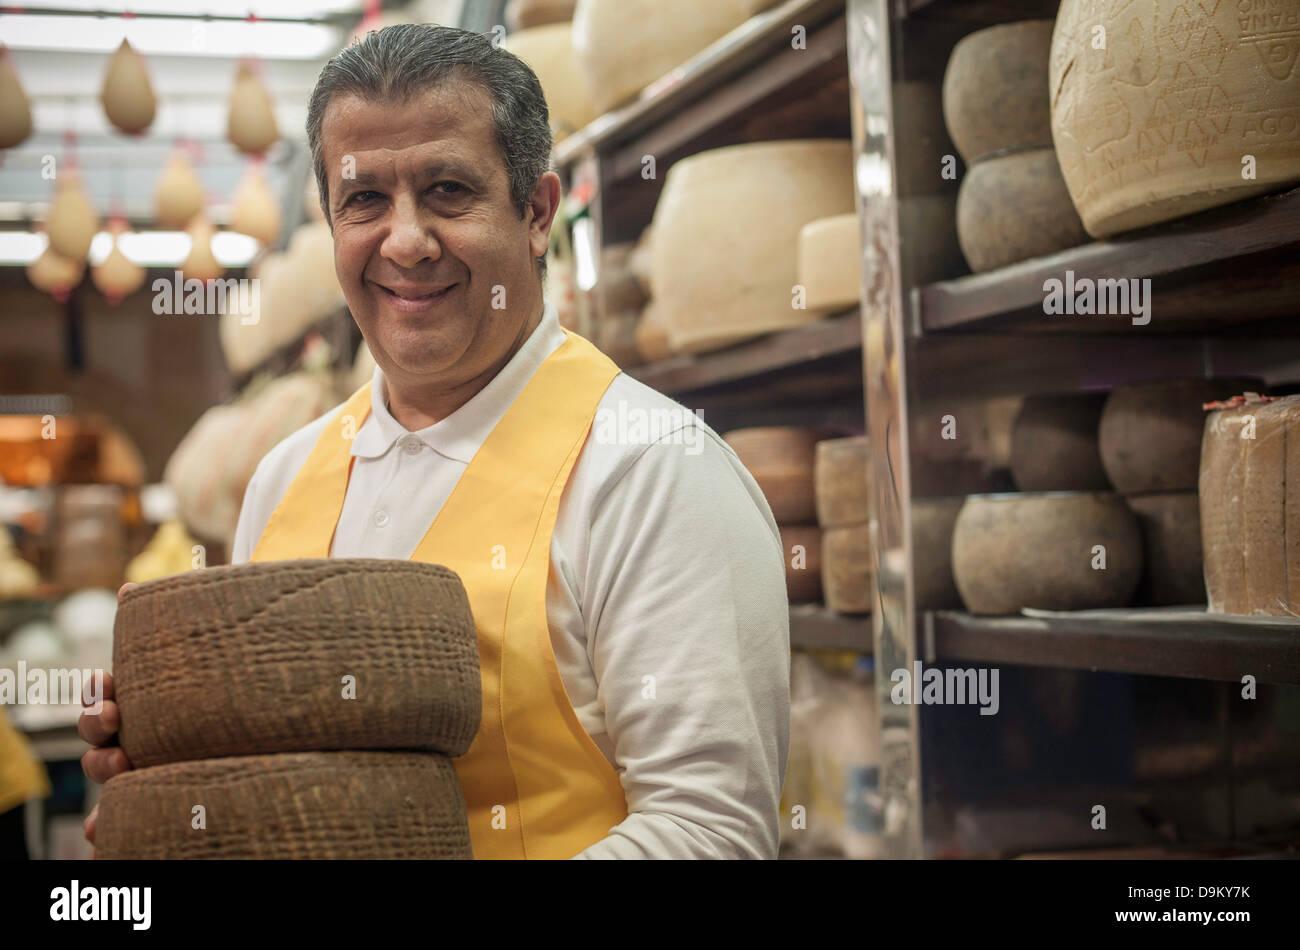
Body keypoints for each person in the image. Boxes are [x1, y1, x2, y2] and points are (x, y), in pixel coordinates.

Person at [81, 24, 789, 859]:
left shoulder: (652, 470)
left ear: (535, 213)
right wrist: (180, 773)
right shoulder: (280, 480)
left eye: (448, 190)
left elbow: (712, 831)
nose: (405, 241)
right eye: (365, 200)